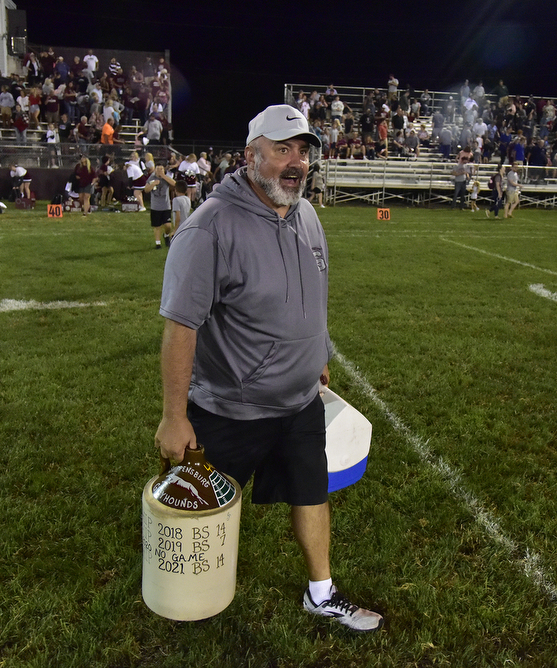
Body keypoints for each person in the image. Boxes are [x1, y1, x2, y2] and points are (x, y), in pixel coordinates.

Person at [155, 104, 384, 633]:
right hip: (229, 406)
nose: (295, 162)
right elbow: (180, 326)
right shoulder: (209, 228)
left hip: (299, 399)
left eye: (303, 151)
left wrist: (318, 351)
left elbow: (315, 290)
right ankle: (188, 591)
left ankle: (321, 594)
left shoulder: (305, 213)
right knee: (198, 511)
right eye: (282, 149)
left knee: (312, 491)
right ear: (250, 154)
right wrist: (173, 415)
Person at [143, 163, 175, 249]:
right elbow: (146, 190)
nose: (159, 171)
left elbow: (174, 184)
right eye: (158, 169)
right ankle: (158, 243)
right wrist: (153, 184)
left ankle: (166, 235)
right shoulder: (152, 178)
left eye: (161, 169)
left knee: (168, 225)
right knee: (157, 226)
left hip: (166, 205)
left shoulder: (166, 178)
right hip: (155, 206)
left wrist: (163, 176)